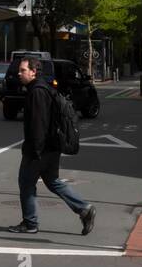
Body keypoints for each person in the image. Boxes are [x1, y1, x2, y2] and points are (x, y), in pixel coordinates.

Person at [8, 55, 96, 236]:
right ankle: (84, 209)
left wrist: (35, 151)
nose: (19, 73)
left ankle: (30, 223)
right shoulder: (43, 88)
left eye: (23, 70)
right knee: (53, 182)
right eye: (19, 70)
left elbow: (39, 123)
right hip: (52, 147)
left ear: (33, 72)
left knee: (26, 183)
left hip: (41, 149)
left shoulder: (38, 92)